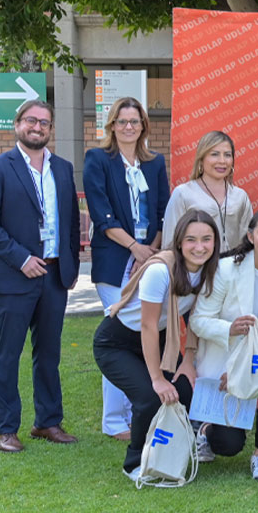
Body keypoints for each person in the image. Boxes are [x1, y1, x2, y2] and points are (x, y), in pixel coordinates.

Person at [0, 100, 81, 453]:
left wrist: (70, 266)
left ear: (51, 129)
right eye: (31, 121)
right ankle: (7, 428)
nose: (38, 127)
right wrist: (21, 259)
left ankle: (47, 422)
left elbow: (71, 221)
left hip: (54, 276)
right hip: (15, 276)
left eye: (45, 123)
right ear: (17, 124)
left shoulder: (63, 169)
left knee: (48, 353)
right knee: (8, 354)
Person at [93, 210, 218, 480]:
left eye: (206, 239)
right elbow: (148, 326)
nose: (199, 247)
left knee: (185, 388)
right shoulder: (161, 270)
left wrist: (188, 361)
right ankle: (135, 462)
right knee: (151, 396)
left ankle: (172, 449)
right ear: (179, 242)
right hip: (117, 342)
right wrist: (158, 378)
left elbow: (195, 317)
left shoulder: (208, 271)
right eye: (191, 240)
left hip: (161, 339)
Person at [189, 208, 258, 481]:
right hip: (221, 359)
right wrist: (229, 328)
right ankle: (205, 431)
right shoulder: (226, 270)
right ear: (251, 236)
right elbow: (199, 320)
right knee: (228, 445)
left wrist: (249, 369)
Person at [84, 96, 170, 442]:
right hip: (115, 260)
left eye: (135, 121)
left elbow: (163, 209)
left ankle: (140, 412)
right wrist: (134, 247)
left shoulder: (154, 162)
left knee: (141, 337)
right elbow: (101, 213)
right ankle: (114, 421)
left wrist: (151, 251)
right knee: (119, 337)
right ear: (112, 126)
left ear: (144, 126)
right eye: (122, 121)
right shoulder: (98, 160)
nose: (129, 127)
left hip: (149, 258)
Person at [164, 131, 253, 253]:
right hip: (195, 269)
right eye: (215, 154)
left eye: (227, 155)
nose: (222, 161)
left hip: (233, 268)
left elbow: (249, 241)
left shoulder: (240, 196)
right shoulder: (183, 194)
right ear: (201, 159)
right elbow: (169, 242)